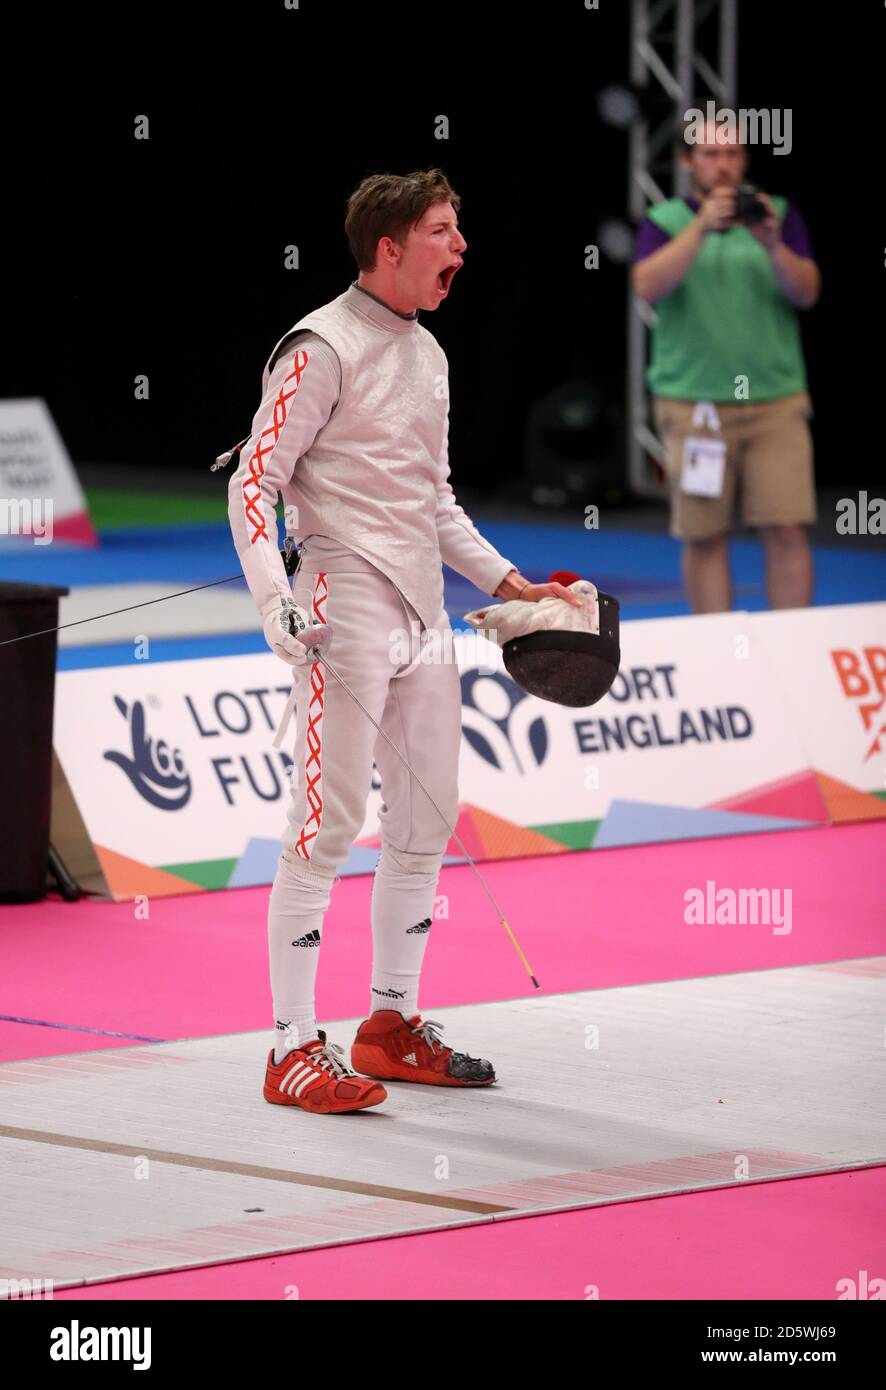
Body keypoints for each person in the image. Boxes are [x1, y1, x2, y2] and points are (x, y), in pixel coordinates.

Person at [227, 168, 581, 1115]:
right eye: (442, 231)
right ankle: (291, 1047)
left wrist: (510, 584)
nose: (460, 248)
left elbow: (433, 500)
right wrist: (275, 601)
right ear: (390, 246)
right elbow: (252, 484)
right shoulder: (319, 345)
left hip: (422, 612)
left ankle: (388, 1024)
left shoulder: (429, 354)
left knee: (427, 819)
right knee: (325, 823)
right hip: (341, 601)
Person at [632, 120, 821, 613]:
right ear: (688, 161)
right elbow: (647, 287)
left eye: (733, 153)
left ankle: (791, 649)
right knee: (706, 534)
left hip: (776, 400)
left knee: (786, 527)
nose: (724, 164)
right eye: (711, 154)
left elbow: (807, 291)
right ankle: (718, 653)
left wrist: (772, 243)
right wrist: (700, 228)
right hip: (695, 405)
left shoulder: (776, 215)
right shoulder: (666, 219)